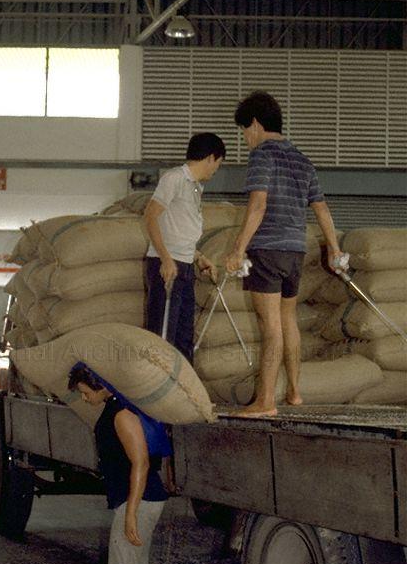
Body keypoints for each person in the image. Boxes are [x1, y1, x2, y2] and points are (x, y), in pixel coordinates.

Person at [225, 91, 343, 417]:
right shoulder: (303, 160)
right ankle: (293, 392)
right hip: (294, 250)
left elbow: (258, 204)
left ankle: (265, 402)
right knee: (288, 320)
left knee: (270, 326)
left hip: (268, 249)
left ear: (256, 124)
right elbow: (321, 208)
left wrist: (238, 249)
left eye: (245, 131)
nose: (246, 138)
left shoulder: (263, 155)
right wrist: (334, 249)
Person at [68, 365, 169, 564]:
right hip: (140, 500)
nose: (85, 399)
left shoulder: (122, 415)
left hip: (138, 501)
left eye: (86, 392)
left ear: (100, 386)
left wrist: (131, 514)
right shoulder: (116, 407)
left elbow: (141, 464)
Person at [144, 132, 226, 362]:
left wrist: (198, 257)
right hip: (167, 267)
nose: (215, 170)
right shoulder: (175, 179)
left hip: (185, 265)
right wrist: (166, 259)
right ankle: (159, 392)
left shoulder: (195, 188)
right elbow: (150, 217)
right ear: (210, 158)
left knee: (183, 339)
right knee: (163, 338)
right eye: (218, 164)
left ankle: (183, 394)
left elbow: (178, 228)